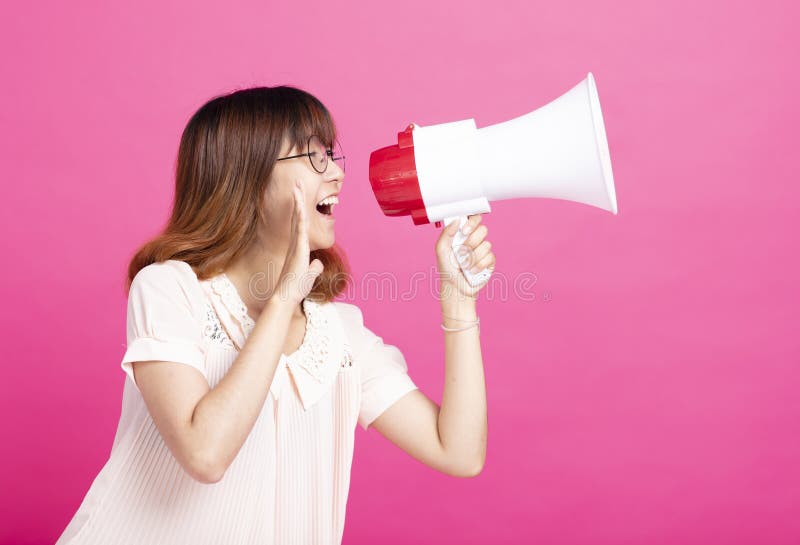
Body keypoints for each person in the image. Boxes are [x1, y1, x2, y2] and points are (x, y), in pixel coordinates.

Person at [55, 86, 495, 545]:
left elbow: (459, 452)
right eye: (312, 157)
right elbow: (205, 453)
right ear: (247, 177)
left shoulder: (338, 336)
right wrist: (283, 299)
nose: (338, 177)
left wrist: (459, 300)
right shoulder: (169, 290)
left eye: (331, 154)